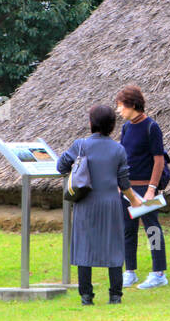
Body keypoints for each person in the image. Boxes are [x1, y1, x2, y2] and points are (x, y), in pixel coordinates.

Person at [56, 104, 143, 305]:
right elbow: (124, 182)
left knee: (84, 248)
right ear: (112, 126)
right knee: (114, 248)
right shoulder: (118, 149)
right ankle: (115, 295)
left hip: (85, 204)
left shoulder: (80, 145)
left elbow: (60, 166)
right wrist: (135, 200)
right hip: (111, 205)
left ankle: (86, 296)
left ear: (91, 123)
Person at [115, 84, 169, 289]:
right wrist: (121, 185)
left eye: (121, 106)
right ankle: (130, 271)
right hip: (127, 188)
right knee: (127, 230)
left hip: (146, 188)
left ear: (132, 104)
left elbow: (159, 160)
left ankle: (158, 272)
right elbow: (123, 157)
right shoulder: (126, 127)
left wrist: (151, 188)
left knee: (152, 229)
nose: (119, 110)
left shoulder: (151, 127)